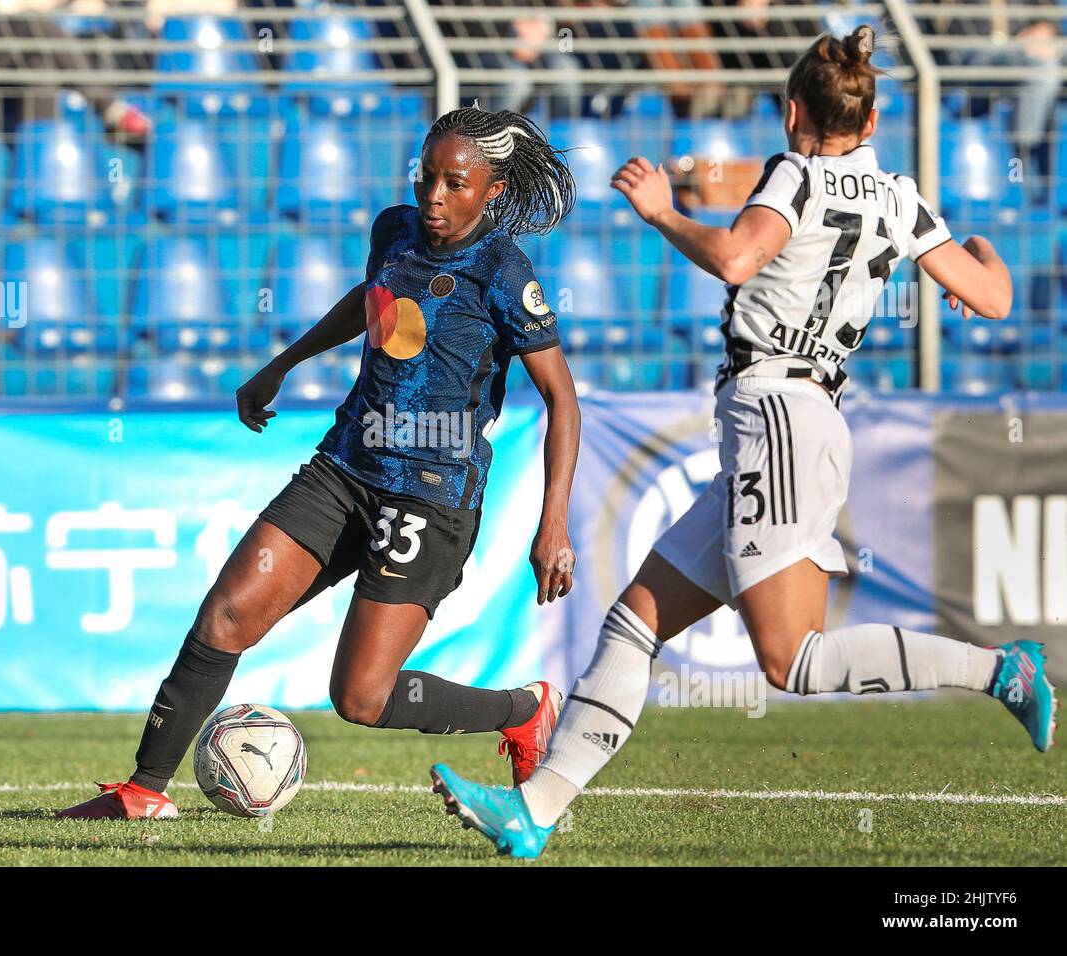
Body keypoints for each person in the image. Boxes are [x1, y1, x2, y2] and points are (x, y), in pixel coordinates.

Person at [428, 27, 1057, 859]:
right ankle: (536, 810)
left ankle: (1000, 672)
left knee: (791, 660)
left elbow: (735, 260)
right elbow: (991, 296)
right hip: (793, 417)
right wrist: (978, 248)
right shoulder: (901, 197)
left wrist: (661, 213)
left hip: (779, 417)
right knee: (634, 622)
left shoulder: (793, 173)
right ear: (869, 124)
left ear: (792, 109)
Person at [57, 105, 583, 819]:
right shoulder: (394, 231)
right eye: (426, 177)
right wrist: (284, 361)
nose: (433, 195)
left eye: (453, 184)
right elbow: (373, 304)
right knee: (225, 617)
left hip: (428, 498)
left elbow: (563, 401)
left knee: (361, 698)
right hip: (343, 469)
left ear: (491, 190)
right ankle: (143, 791)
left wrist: (553, 525)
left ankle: (521, 710)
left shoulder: (502, 269)